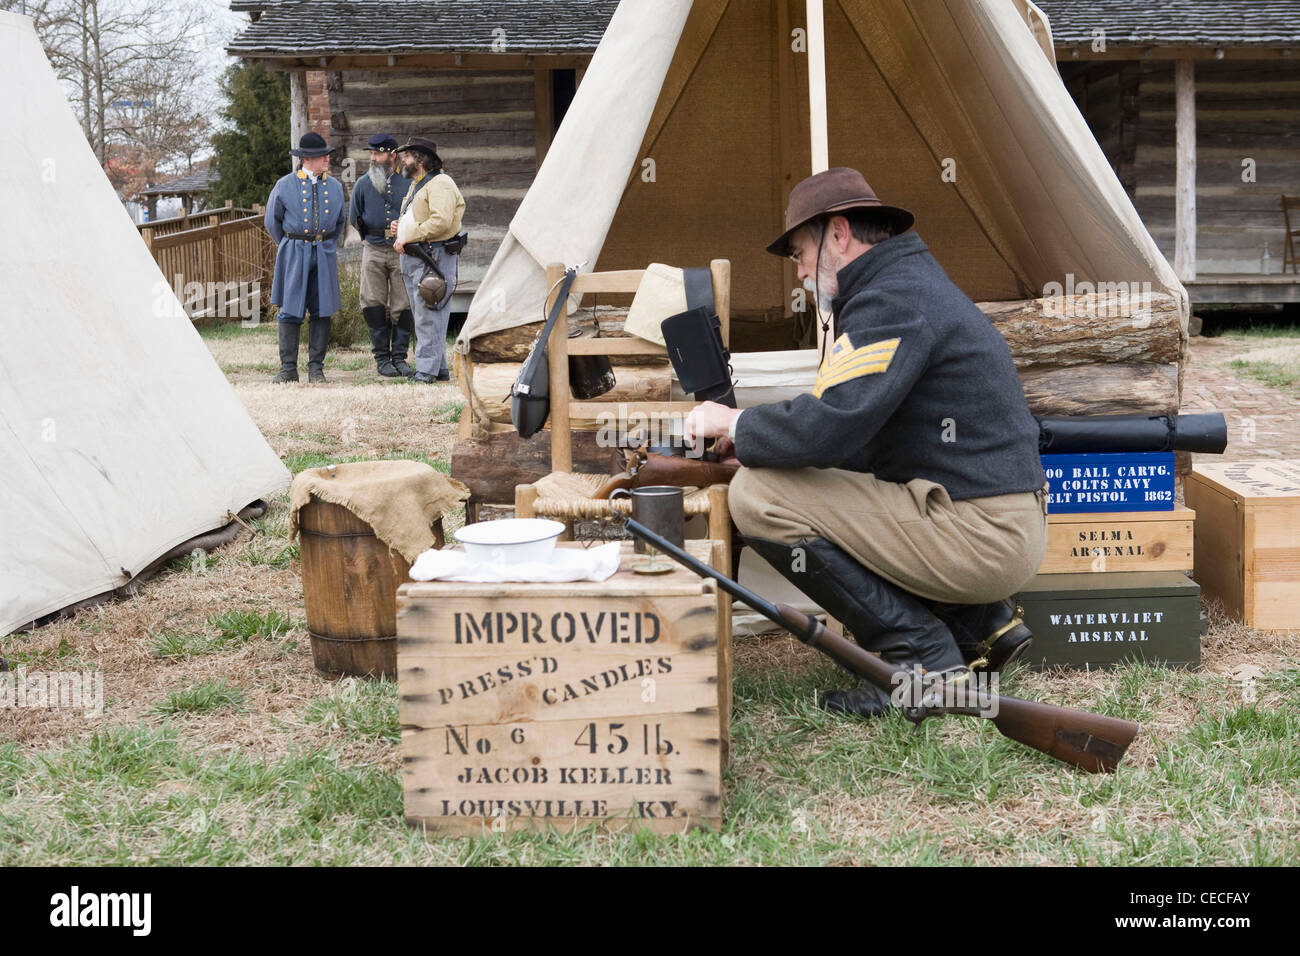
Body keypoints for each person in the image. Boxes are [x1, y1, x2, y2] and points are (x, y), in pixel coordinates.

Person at [684, 167, 1049, 716]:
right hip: (988, 522)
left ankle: (922, 662)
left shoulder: (891, 299)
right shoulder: (902, 285)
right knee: (783, 481)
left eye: (800, 254)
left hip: (983, 534)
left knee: (756, 499)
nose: (801, 273)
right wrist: (761, 444)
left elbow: (830, 424)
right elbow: (857, 438)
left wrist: (733, 424)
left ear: (838, 234)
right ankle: (974, 625)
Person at [264, 132, 346, 383]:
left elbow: (340, 222)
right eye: (324, 157)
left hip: (324, 254)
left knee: (322, 311)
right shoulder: (284, 185)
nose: (327, 160)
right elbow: (272, 221)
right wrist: (289, 245)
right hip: (294, 253)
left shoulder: (334, 186)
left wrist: (327, 246)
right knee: (290, 309)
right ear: (308, 159)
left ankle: (316, 369)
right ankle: (288, 369)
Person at [392, 136, 465, 383]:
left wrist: (408, 234)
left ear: (420, 160)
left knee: (428, 313)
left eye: (408, 156)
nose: (403, 160)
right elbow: (420, 217)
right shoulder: (420, 184)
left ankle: (425, 371)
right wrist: (400, 227)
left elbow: (441, 222)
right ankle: (437, 367)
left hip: (433, 255)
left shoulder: (440, 184)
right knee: (424, 313)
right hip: (420, 255)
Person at [349, 133, 414, 377]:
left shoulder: (408, 183)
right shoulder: (363, 184)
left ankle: (399, 357)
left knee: (403, 303)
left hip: (401, 250)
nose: (373, 158)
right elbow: (354, 217)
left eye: (378, 153)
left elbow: (417, 215)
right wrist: (372, 237)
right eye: (372, 154)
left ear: (392, 156)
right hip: (373, 249)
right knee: (373, 301)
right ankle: (382, 359)